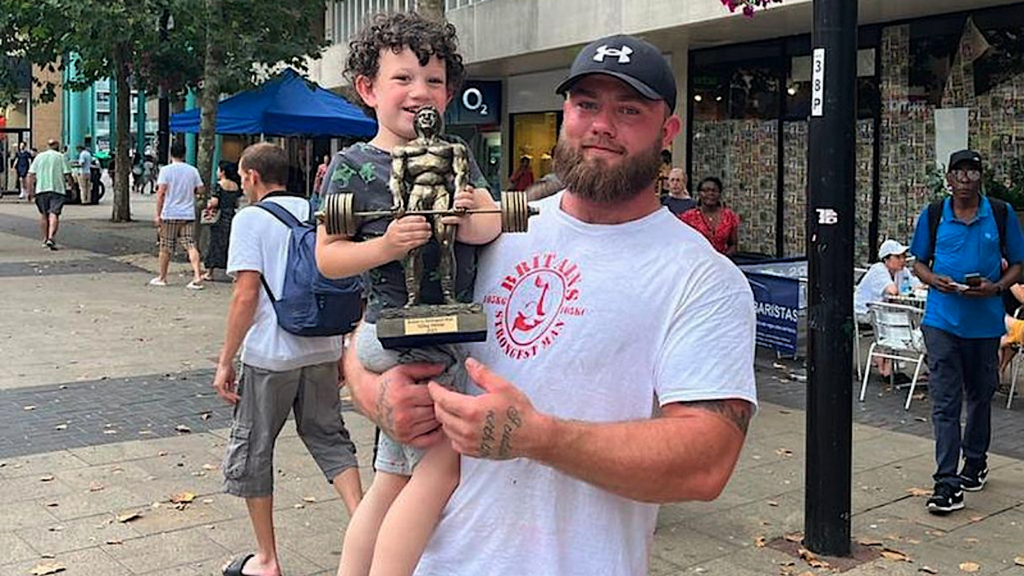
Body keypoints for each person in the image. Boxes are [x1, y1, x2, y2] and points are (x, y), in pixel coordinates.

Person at [343, 33, 757, 576]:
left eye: (629, 110)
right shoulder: (496, 226)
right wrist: (380, 397)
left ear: (668, 133)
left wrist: (540, 438)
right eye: (587, 104)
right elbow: (365, 335)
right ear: (565, 113)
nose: (601, 125)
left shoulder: (701, 276)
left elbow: (707, 462)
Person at [315, 13, 499, 576]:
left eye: (434, 81)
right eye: (403, 79)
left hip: (430, 328)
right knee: (442, 469)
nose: (420, 92)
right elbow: (328, 255)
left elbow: (492, 222)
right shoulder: (352, 167)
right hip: (406, 334)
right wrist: (387, 245)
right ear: (368, 89)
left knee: (392, 477)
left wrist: (469, 216)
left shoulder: (458, 154)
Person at [214, 143, 362, 576]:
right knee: (330, 438)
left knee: (254, 449)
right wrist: (340, 347)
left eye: (243, 177)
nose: (242, 184)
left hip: (270, 354)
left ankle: (267, 559)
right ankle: (366, 528)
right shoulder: (318, 211)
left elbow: (245, 294)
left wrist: (226, 359)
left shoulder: (250, 219)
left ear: (253, 177)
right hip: (321, 345)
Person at [909, 149, 1024, 515]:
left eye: (972, 172)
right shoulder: (933, 215)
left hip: (985, 322)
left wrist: (997, 287)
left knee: (979, 395)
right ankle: (946, 483)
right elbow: (918, 263)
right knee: (945, 402)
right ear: (948, 178)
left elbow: (1018, 264)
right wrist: (935, 281)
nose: (965, 179)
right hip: (942, 320)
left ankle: (974, 462)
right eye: (958, 172)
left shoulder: (1001, 215)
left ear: (980, 177)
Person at [854, 239, 922, 383]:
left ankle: (886, 361)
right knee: (897, 322)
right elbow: (892, 291)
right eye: (898, 257)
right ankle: (885, 367)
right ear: (886, 259)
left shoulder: (901, 272)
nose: (902, 260)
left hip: (882, 311)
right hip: (864, 312)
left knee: (900, 318)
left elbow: (918, 286)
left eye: (903, 256)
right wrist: (908, 291)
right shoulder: (879, 270)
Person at [150, 142, 205, 289]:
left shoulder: (166, 171)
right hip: (188, 214)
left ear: (170, 154)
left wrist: (158, 214)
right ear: (185, 154)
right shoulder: (192, 171)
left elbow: (161, 193)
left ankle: (162, 277)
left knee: (166, 247)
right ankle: (197, 275)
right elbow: (200, 189)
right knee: (191, 245)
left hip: (170, 213)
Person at [25, 139, 74, 250]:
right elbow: (67, 175)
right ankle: (51, 237)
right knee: (54, 214)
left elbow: (30, 175)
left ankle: (45, 238)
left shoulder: (39, 157)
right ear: (58, 146)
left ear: (47, 146)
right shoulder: (61, 157)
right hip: (57, 189)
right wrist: (72, 188)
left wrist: (30, 191)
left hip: (41, 189)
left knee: (43, 214)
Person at [202, 161, 244, 282]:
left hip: (219, 217)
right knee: (230, 243)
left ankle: (209, 272)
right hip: (231, 215)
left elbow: (215, 202)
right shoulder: (236, 186)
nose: (217, 172)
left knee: (215, 243)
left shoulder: (219, 185)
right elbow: (236, 202)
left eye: (218, 170)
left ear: (223, 172)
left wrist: (209, 204)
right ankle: (234, 273)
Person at [680, 176, 740, 256]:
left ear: (719, 194)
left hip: (723, 262)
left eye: (714, 191)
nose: (710, 194)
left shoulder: (729, 216)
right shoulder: (688, 217)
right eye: (705, 191)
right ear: (699, 194)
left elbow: (733, 245)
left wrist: (723, 258)